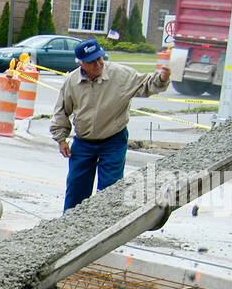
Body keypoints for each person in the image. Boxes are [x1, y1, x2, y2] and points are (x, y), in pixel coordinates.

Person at [51, 38, 169, 212]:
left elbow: (146, 84)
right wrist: (61, 139)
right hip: (84, 142)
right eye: (92, 61)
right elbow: (61, 111)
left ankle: (105, 227)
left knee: (110, 189)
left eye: (100, 58)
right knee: (77, 188)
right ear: (82, 63)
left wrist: (162, 79)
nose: (98, 64)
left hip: (113, 140)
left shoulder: (120, 75)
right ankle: (70, 225)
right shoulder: (72, 81)